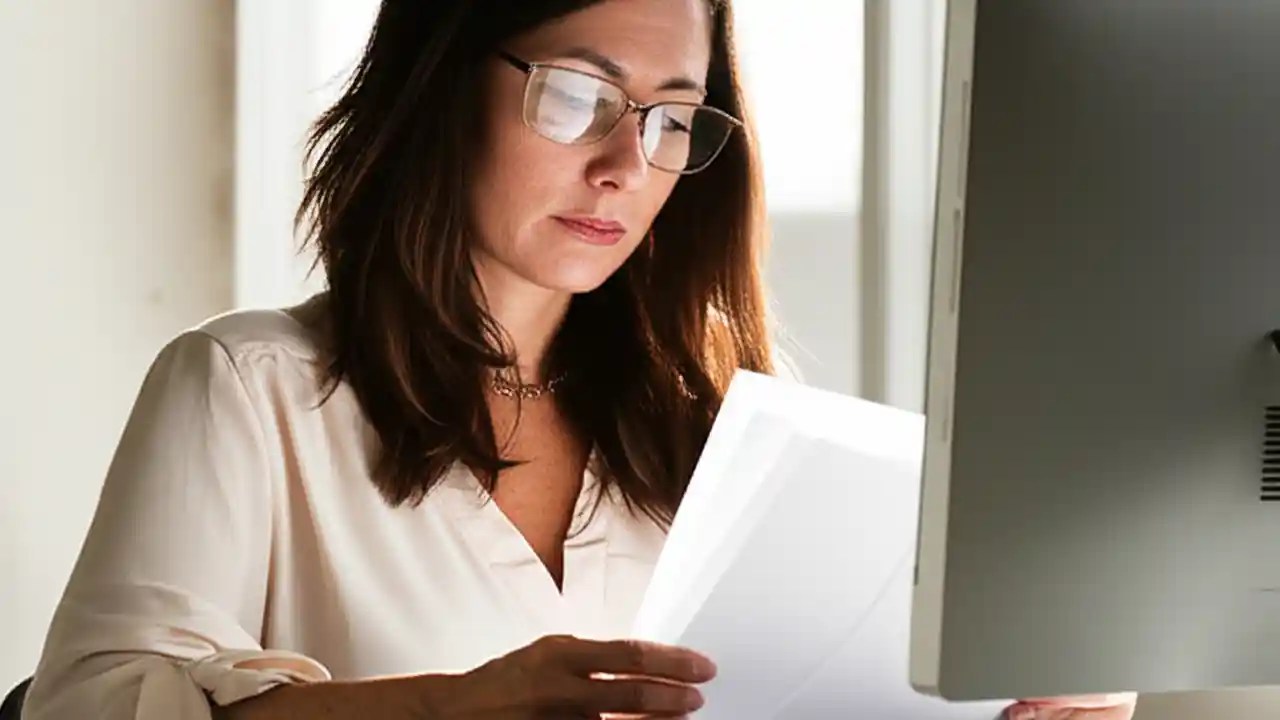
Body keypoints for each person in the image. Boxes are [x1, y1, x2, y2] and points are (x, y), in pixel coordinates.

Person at [20, 1, 1138, 718]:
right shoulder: (249, 390)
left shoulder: (736, 439)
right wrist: (446, 711)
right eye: (575, 96)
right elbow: (89, 709)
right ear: (444, 82)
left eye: (667, 119)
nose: (622, 164)